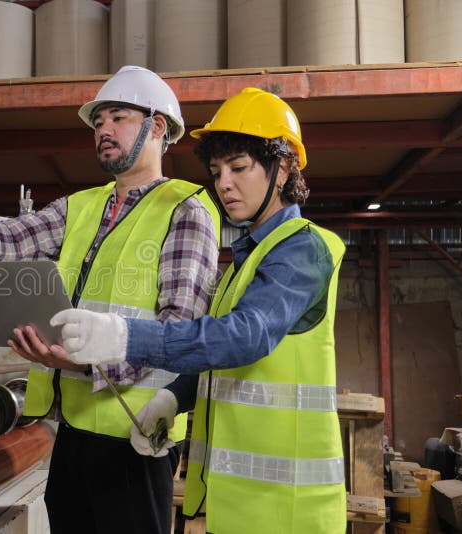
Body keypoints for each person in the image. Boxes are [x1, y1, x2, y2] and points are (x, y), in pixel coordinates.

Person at [0, 66, 222, 534]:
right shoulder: (82, 206)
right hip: (71, 429)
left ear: (158, 127)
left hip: (136, 435)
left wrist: (89, 364)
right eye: (98, 122)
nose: (103, 130)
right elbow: (12, 236)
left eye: (118, 118)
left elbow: (179, 330)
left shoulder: (186, 209)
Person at [50, 87, 347, 534]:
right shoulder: (248, 259)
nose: (223, 183)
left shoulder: (303, 249)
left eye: (240, 167)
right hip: (243, 505)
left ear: (284, 167)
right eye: (216, 170)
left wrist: (125, 336)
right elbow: (225, 361)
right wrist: (175, 395)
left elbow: (243, 338)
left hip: (289, 510)